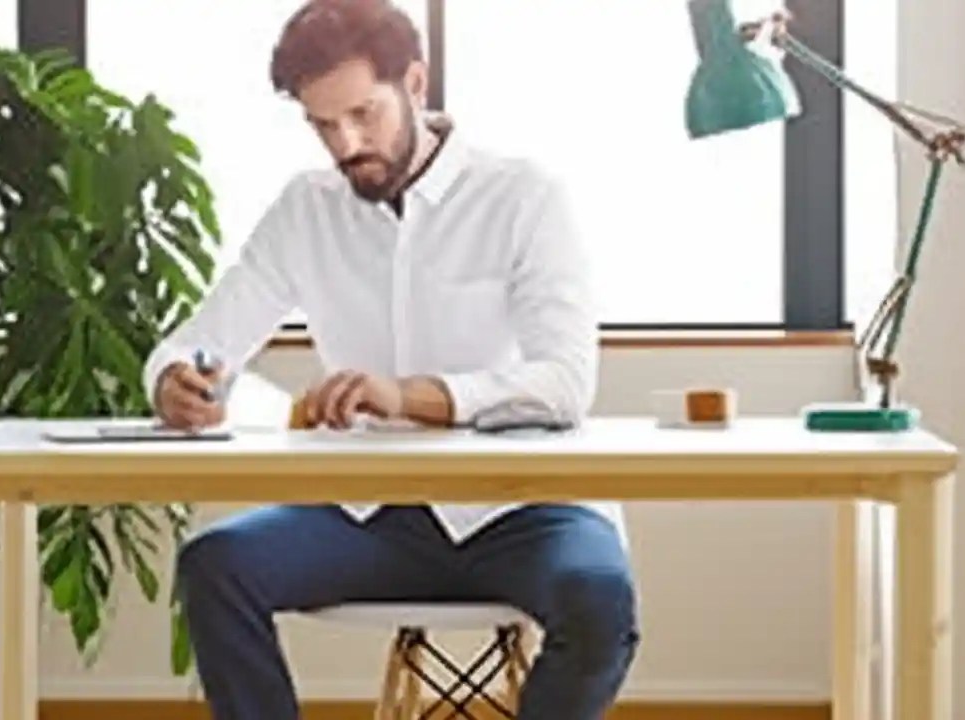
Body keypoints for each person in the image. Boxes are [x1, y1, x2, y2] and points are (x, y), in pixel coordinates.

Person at [141, 1, 639, 717]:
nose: (345, 145)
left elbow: (563, 384)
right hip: (372, 512)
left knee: (601, 598)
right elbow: (202, 341)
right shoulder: (306, 208)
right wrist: (174, 380)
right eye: (322, 126)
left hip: (527, 506)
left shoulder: (522, 196)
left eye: (362, 115)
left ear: (415, 82)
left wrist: (406, 396)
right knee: (215, 565)